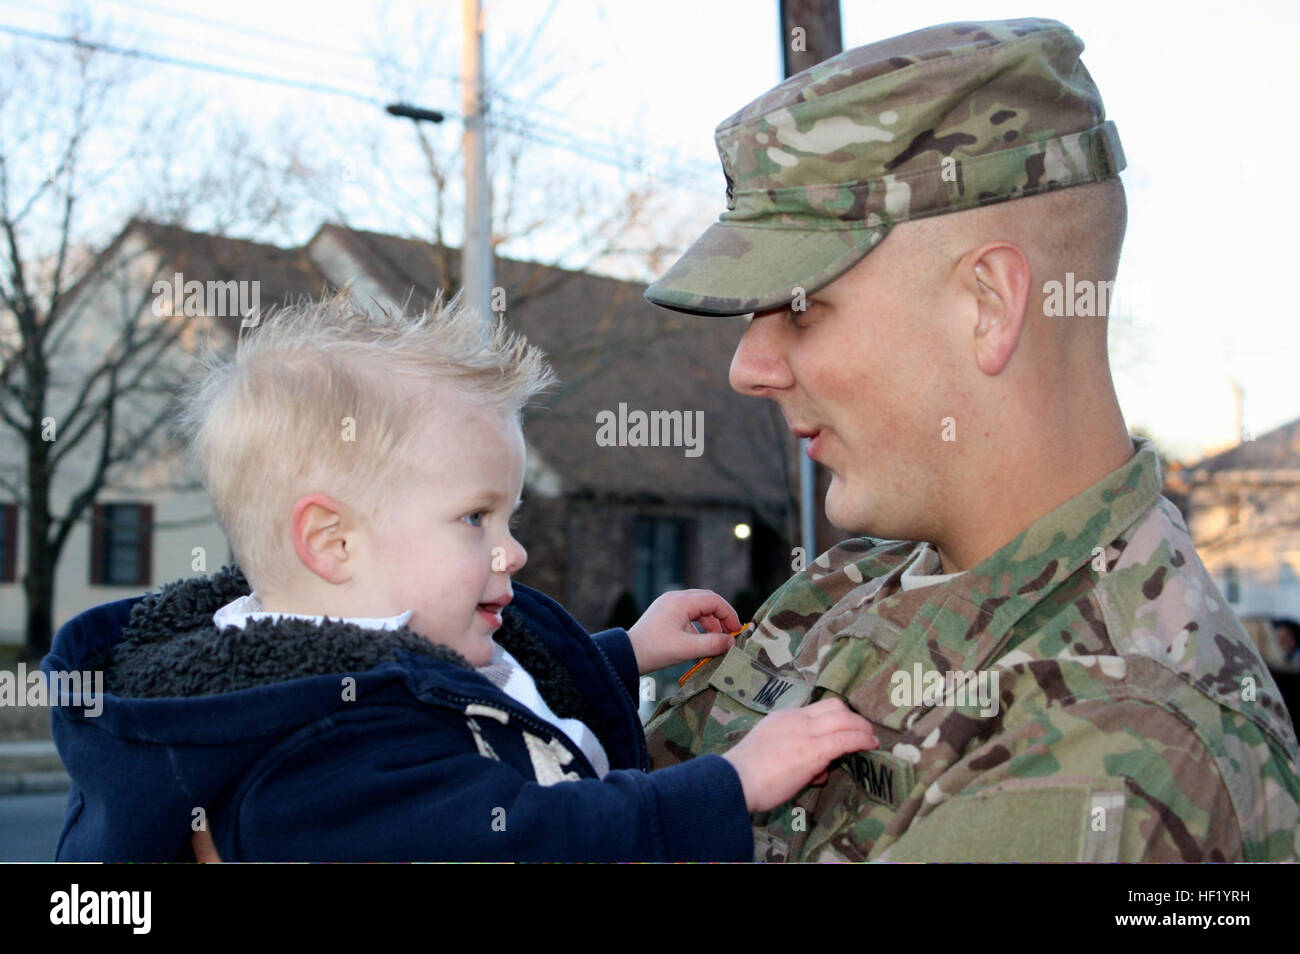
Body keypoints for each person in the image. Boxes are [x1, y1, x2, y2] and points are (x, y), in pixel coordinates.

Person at [642, 17, 1300, 862]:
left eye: (801, 306)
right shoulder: (850, 584)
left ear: (988, 305)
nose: (751, 367)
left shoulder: (1117, 749)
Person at [43, 293, 877, 862]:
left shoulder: (388, 642)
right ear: (333, 543)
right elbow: (530, 839)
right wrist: (728, 786)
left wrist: (621, 654)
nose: (511, 551)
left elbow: (495, 696)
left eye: (507, 517)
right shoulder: (313, 746)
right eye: (476, 518)